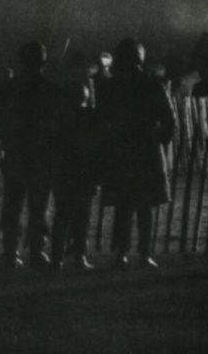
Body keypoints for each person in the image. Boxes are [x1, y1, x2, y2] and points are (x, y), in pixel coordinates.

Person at [100, 38, 177, 268]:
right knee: (144, 205)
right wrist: (158, 140)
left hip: (124, 149)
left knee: (126, 205)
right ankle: (143, 253)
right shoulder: (151, 85)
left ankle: (122, 253)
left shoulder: (114, 86)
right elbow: (169, 120)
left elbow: (103, 119)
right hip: (145, 149)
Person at [0, 41, 60, 268]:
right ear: (43, 61)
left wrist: (8, 137)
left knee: (14, 204)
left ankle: (11, 252)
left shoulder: (7, 88)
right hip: (38, 154)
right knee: (38, 206)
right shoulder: (50, 89)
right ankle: (36, 251)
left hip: (17, 153)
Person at [51, 48, 104, 269]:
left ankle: (56, 258)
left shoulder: (59, 120)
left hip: (64, 172)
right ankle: (79, 256)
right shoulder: (89, 118)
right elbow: (96, 148)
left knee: (62, 215)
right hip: (83, 172)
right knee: (81, 216)